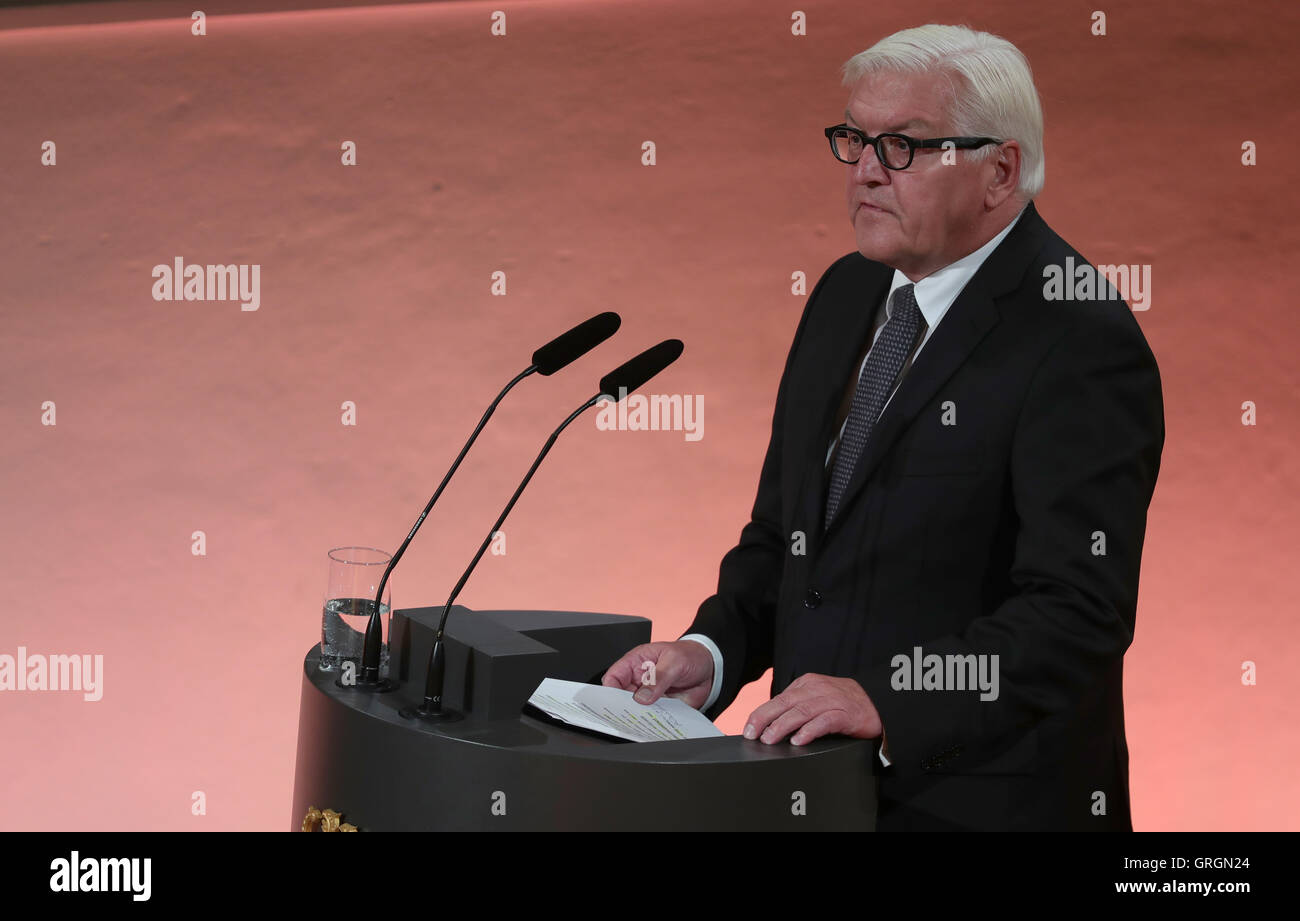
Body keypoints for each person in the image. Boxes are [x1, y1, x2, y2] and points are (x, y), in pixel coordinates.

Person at [602, 23, 1164, 831]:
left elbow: (1078, 612)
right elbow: (785, 539)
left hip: (979, 805)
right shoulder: (844, 294)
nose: (865, 170)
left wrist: (890, 700)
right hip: (815, 795)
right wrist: (711, 652)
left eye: (902, 145)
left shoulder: (1079, 335)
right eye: (855, 139)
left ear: (999, 170)